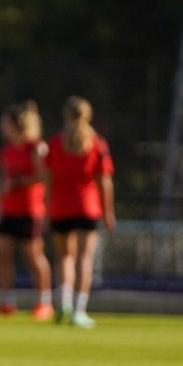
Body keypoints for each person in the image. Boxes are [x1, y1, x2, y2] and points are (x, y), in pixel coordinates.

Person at [46, 96, 115, 328]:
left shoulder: (55, 143)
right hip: (87, 207)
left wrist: (47, 205)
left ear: (66, 116)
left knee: (65, 256)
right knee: (84, 258)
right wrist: (108, 212)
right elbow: (104, 182)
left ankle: (63, 301)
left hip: (61, 207)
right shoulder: (97, 144)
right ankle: (78, 310)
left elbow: (48, 179)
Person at [0, 101, 53, 320]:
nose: (3, 126)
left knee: (33, 256)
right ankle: (7, 301)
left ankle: (44, 303)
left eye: (6, 123)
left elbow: (44, 177)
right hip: (9, 210)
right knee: (1, 252)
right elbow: (4, 179)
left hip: (31, 210)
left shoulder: (35, 148)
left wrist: (20, 181)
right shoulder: (7, 150)